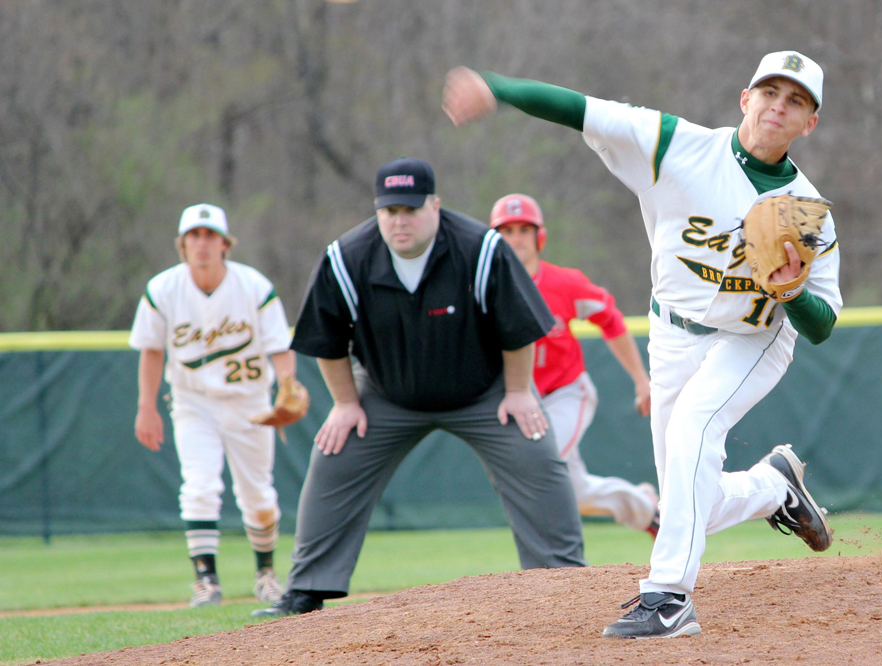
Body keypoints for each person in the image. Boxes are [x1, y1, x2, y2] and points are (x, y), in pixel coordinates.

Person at [443, 50, 841, 639]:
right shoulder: (675, 145)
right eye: (770, 93)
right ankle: (772, 487)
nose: (778, 108)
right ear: (745, 99)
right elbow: (580, 110)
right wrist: (496, 88)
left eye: (796, 102)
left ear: (809, 123)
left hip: (754, 338)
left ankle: (668, 598)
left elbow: (822, 323)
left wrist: (792, 293)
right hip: (672, 333)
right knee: (690, 494)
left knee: (692, 430)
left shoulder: (806, 211)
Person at [253, 157, 587, 618]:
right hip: (388, 393)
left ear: (435, 205)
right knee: (333, 454)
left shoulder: (481, 248)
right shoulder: (346, 257)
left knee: (538, 453)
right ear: (377, 211)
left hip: (485, 391)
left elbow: (518, 327)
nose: (400, 220)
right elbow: (326, 340)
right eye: (390, 211)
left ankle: (567, 584)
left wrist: (518, 392)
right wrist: (346, 403)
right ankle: (306, 589)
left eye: (410, 209)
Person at [130, 203, 295, 608]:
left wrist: (287, 387)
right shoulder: (163, 289)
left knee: (258, 495)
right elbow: (151, 351)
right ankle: (206, 580)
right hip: (193, 402)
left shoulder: (253, 285)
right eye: (194, 236)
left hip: (250, 402)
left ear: (225, 244)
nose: (202, 243)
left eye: (210, 236)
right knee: (200, 487)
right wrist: (146, 407)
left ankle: (266, 574)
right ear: (182, 245)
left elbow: (279, 346)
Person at [489, 193, 660, 537]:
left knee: (541, 457)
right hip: (522, 399)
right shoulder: (484, 287)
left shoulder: (564, 284)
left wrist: (642, 380)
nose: (517, 237)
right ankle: (644, 507)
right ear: (494, 240)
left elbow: (610, 320)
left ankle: (551, 556)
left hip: (567, 392)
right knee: (577, 492)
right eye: (507, 231)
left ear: (540, 236)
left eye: (524, 229)